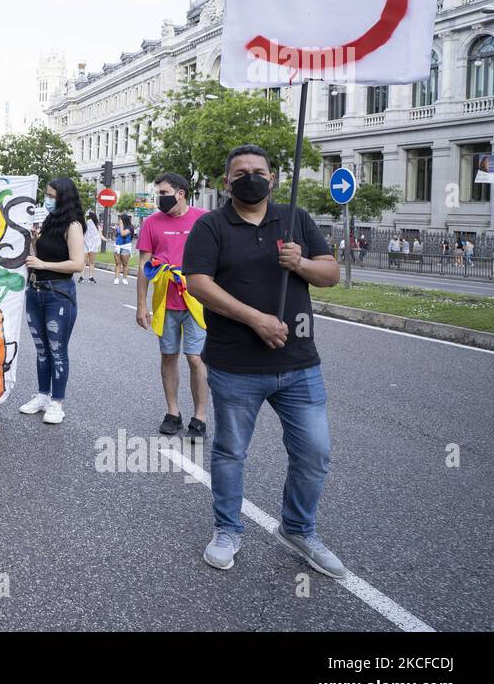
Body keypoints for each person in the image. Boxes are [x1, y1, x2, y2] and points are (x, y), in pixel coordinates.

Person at [184, 144, 344, 578]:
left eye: (258, 171)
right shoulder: (211, 226)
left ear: (272, 179)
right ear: (226, 182)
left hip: (299, 365)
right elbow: (198, 283)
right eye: (240, 172)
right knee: (231, 451)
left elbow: (331, 273)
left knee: (314, 452)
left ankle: (298, 529)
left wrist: (302, 263)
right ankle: (227, 530)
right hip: (236, 366)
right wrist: (257, 320)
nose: (250, 177)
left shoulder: (296, 220)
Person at [135, 172, 209, 438]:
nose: (159, 198)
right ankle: (173, 412)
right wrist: (141, 305)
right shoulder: (151, 223)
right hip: (165, 299)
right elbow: (144, 265)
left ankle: (199, 417)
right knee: (168, 356)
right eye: (158, 193)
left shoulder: (203, 219)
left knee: (195, 357)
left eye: (164, 193)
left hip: (197, 300)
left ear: (181, 193)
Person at [18, 178, 87, 425]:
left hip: (58, 294)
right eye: (46, 194)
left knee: (57, 350)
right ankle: (42, 396)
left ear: (64, 198)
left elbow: (77, 264)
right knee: (41, 350)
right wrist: (36, 240)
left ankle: (57, 402)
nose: (47, 199)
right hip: (35, 291)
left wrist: (43, 264)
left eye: (51, 195)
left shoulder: (73, 226)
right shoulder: (49, 222)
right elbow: (40, 254)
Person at [112, 212, 134, 284]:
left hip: (125, 247)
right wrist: (114, 230)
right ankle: (116, 278)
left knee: (125, 264)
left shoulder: (129, 227)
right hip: (117, 246)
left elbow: (123, 233)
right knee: (117, 263)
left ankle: (124, 278)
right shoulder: (119, 226)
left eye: (120, 219)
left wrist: (120, 225)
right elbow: (117, 235)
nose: (119, 220)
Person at [80, 210, 101, 283]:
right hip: (91, 245)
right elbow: (100, 235)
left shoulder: (87, 224)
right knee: (91, 262)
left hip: (88, 244)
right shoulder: (93, 225)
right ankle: (89, 277)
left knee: (85, 261)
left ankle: (84, 277)